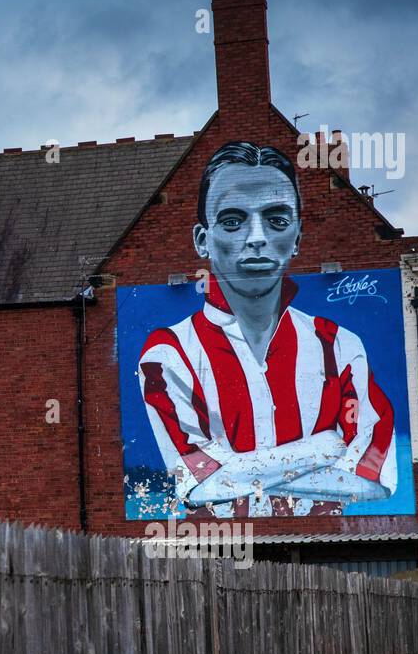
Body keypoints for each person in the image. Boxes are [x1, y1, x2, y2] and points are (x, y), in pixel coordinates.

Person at [137, 142, 396, 518]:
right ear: (202, 240)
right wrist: (324, 448)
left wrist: (239, 470)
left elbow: (375, 480)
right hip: (212, 564)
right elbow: (199, 485)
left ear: (297, 237)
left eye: (276, 219)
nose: (256, 237)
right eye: (232, 220)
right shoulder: (167, 354)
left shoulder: (338, 345)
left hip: (327, 550)